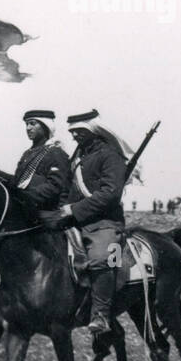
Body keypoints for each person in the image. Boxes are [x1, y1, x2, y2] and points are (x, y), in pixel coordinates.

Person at [38, 110, 129, 337]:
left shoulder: (111, 156)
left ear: (93, 131)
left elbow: (111, 194)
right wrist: (60, 211)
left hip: (105, 222)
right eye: (72, 132)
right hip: (75, 219)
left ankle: (101, 315)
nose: (75, 136)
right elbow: (67, 190)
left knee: (102, 258)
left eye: (80, 131)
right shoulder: (78, 158)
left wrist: (74, 209)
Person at [0, 109, 70, 212]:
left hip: (45, 212)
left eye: (32, 124)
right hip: (25, 207)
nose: (28, 128)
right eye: (26, 124)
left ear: (45, 126)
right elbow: (18, 182)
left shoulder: (56, 153)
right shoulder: (27, 153)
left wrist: (24, 196)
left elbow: (55, 186)